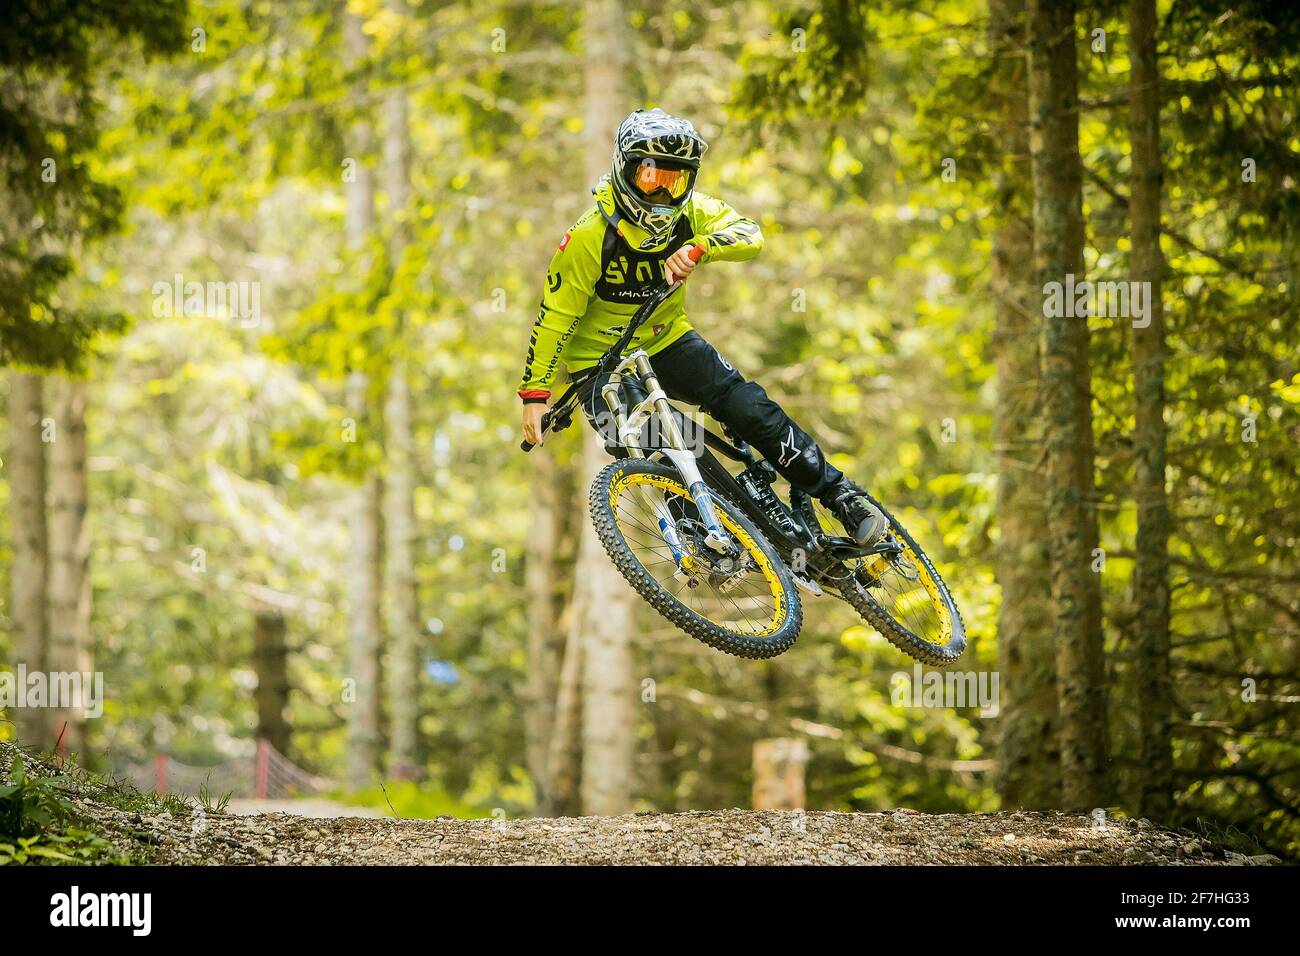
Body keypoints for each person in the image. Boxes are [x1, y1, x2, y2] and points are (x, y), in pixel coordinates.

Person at [517, 108, 885, 546]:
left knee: (747, 406)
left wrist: (700, 248)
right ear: (622, 169)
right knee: (649, 442)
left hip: (666, 338)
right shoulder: (587, 239)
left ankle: (842, 497)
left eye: (672, 181)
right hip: (596, 364)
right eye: (648, 177)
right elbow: (555, 319)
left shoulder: (693, 213)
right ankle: (714, 541)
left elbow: (750, 235)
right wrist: (535, 396)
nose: (659, 192)